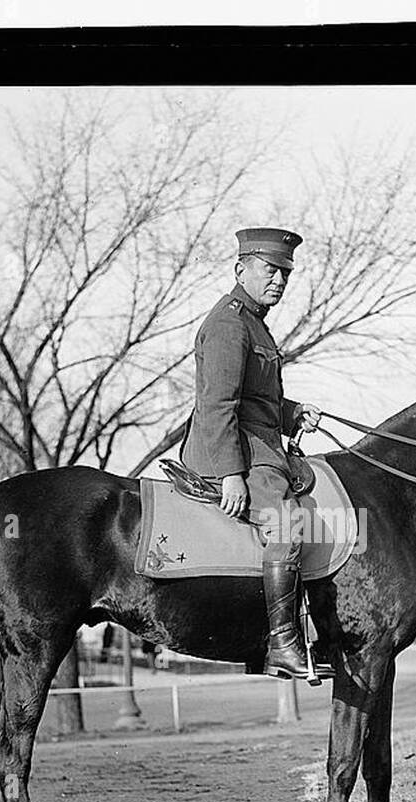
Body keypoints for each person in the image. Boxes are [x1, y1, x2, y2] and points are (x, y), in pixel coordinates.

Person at [180, 228, 322, 679]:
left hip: (257, 442)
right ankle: (281, 643)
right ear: (241, 268)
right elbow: (218, 404)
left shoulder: (254, 322)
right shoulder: (228, 323)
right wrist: (230, 474)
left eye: (284, 272)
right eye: (270, 269)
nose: (279, 279)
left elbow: (257, 401)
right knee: (289, 526)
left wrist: (293, 412)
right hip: (234, 449)